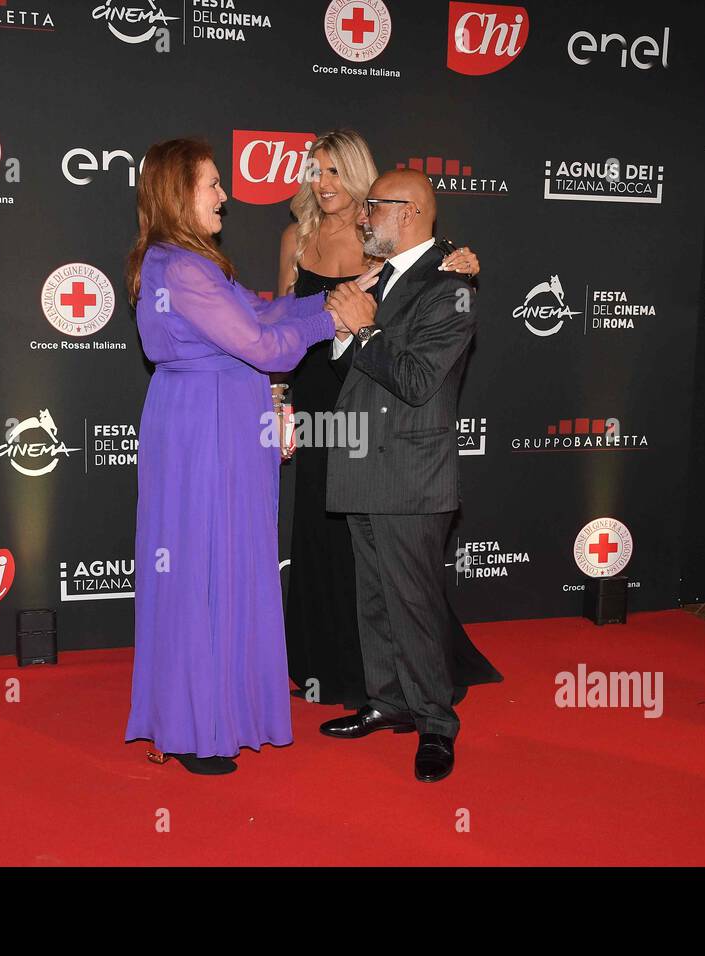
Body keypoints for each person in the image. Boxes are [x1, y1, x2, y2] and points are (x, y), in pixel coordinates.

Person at [122, 138, 369, 775]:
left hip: (213, 424)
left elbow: (263, 310)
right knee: (203, 566)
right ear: (180, 193)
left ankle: (207, 712)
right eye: (212, 185)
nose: (225, 196)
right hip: (206, 430)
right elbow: (263, 346)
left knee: (214, 566)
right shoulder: (182, 269)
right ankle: (192, 727)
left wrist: (339, 295)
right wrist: (335, 322)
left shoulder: (186, 262)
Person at [274, 129, 500, 711]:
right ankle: (358, 683)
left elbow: (423, 276)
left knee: (398, 574)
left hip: (382, 416)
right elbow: (283, 329)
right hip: (323, 402)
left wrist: (460, 262)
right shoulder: (297, 238)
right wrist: (280, 397)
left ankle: (418, 705)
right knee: (342, 554)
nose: (319, 183)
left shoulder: (400, 253)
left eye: (331, 171)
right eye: (312, 171)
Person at [319, 169, 478, 783]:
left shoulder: (454, 285)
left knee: (413, 602)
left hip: (410, 473)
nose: (362, 217)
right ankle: (388, 700)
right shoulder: (379, 278)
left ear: (408, 212)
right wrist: (346, 330)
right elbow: (357, 367)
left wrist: (364, 327)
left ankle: (437, 724)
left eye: (372, 207)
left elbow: (414, 380)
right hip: (360, 461)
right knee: (376, 598)